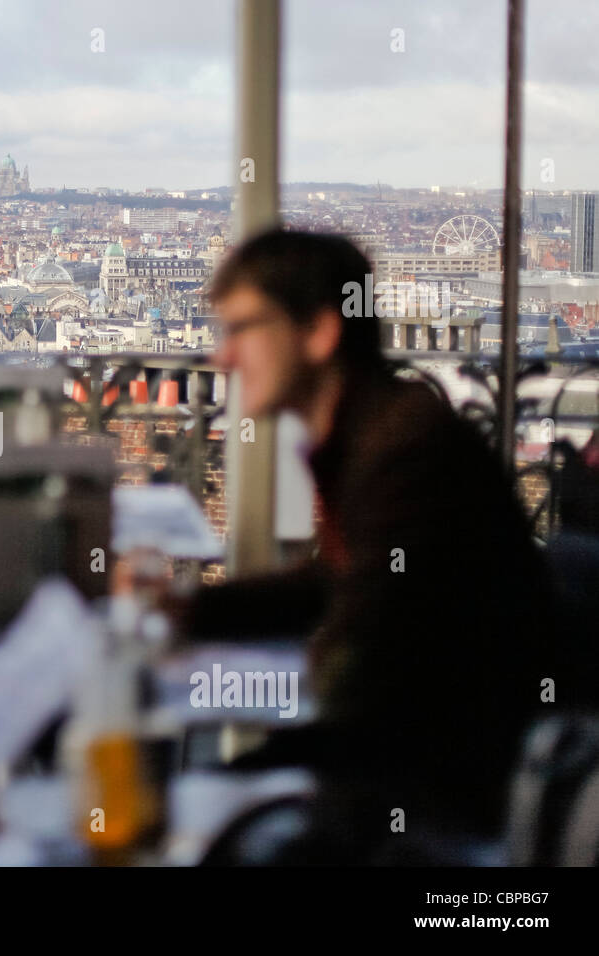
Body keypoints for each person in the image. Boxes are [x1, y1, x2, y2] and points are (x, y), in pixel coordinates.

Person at [172, 230, 555, 861]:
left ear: (320, 333)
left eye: (241, 329)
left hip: (449, 803)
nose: (223, 358)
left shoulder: (399, 452)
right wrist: (193, 611)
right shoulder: (382, 427)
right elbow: (348, 586)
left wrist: (246, 762)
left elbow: (365, 671)